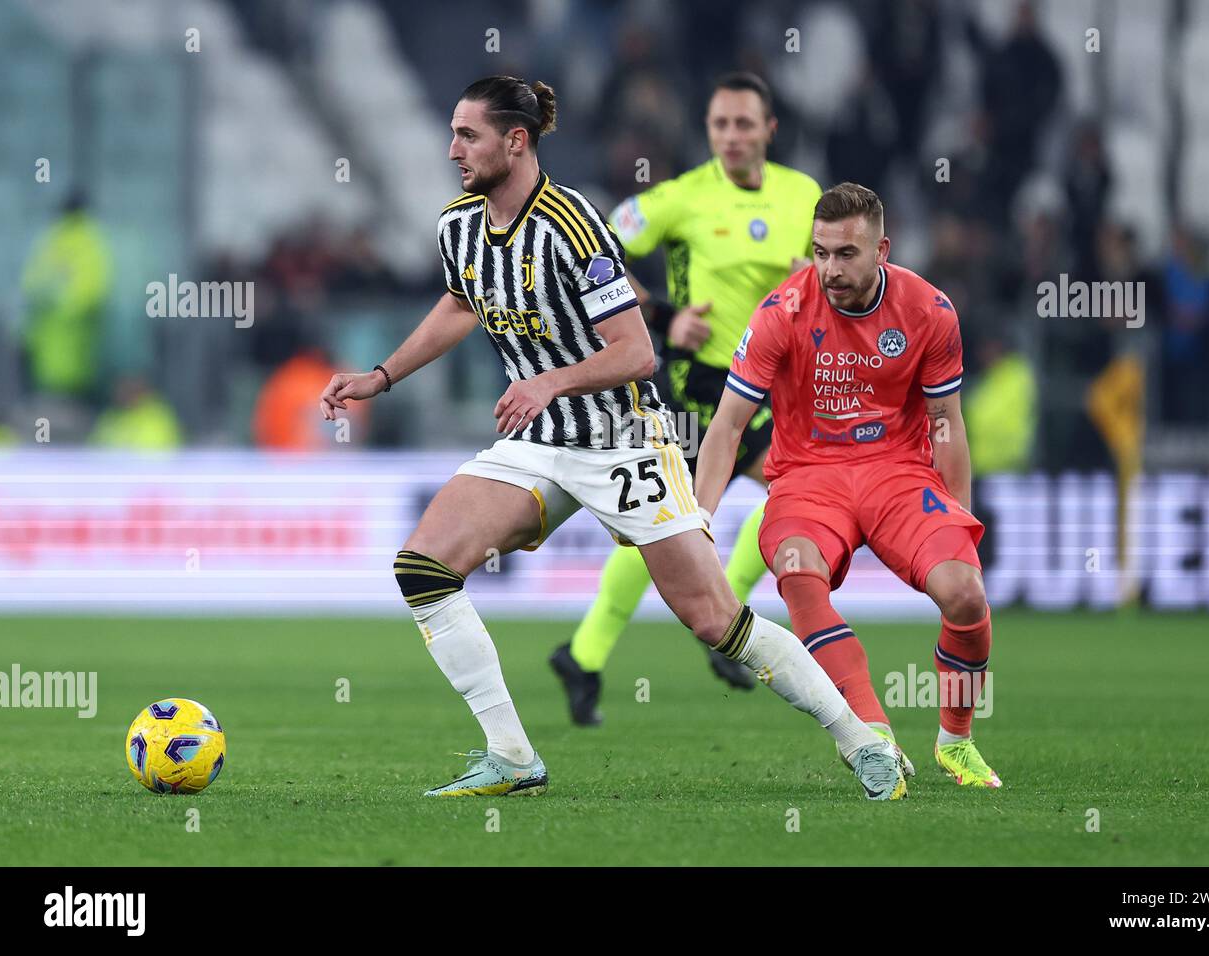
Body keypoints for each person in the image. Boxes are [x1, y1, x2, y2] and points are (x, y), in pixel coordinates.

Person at [319, 78, 908, 800]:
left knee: (715, 618)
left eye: (467, 135)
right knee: (424, 568)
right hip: (538, 441)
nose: (452, 150)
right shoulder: (458, 225)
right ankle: (510, 754)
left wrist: (549, 382)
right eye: (452, 133)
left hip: (622, 436)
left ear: (516, 141)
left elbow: (636, 352)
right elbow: (460, 301)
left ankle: (861, 742)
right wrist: (381, 376)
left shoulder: (573, 226)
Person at [695, 182, 1001, 788]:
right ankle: (871, 735)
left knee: (965, 596)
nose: (829, 270)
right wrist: (699, 521)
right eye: (820, 252)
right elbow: (727, 426)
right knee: (797, 573)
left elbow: (946, 422)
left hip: (898, 476)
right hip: (807, 480)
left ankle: (956, 741)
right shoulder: (780, 312)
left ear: (882, 249)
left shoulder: (930, 311)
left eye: (845, 254)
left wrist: (959, 518)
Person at [551, 72, 822, 725]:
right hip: (697, 382)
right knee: (777, 495)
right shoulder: (682, 198)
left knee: (694, 517)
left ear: (769, 130)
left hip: (773, 380)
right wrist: (664, 315)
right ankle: (723, 620)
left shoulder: (803, 194)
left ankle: (587, 654)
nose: (731, 136)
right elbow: (594, 251)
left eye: (744, 124)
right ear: (709, 130)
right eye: (720, 125)